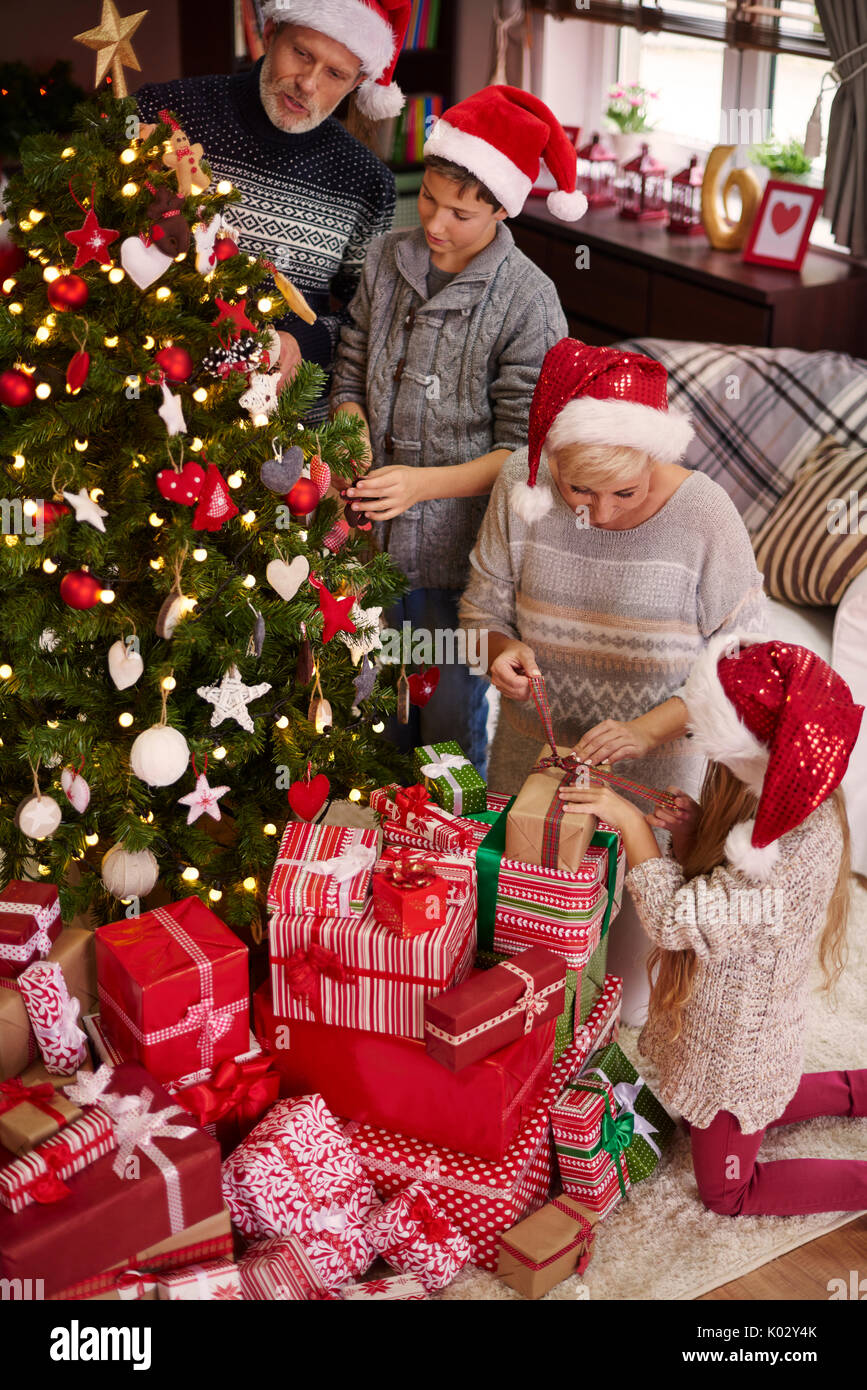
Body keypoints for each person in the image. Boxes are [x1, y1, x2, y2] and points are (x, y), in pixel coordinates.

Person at [459, 339, 768, 1018]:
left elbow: (744, 669)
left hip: (654, 790)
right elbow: (480, 607)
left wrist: (644, 729)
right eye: (578, 491)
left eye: (623, 492)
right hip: (531, 762)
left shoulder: (705, 514)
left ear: (655, 458)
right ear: (551, 464)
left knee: (623, 1002)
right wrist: (497, 648)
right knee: (524, 982)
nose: (597, 515)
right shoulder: (520, 482)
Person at [558, 635, 867, 1217]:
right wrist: (695, 833)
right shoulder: (787, 797)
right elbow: (723, 890)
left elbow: (680, 920)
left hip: (734, 1054)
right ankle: (856, 1090)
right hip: (742, 1032)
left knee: (726, 1192)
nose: (713, 762)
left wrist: (629, 824)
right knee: (752, 1097)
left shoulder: (790, 855)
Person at [331, 86, 583, 771]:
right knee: (365, 708)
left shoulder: (528, 299)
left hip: (461, 566)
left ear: (502, 208)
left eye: (463, 214)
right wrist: (350, 428)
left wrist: (421, 486)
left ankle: (447, 863)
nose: (437, 224)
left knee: (442, 730)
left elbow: (526, 451)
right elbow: (349, 371)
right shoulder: (384, 260)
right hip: (364, 546)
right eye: (430, 200)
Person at [136, 1, 410, 415]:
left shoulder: (367, 181)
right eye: (301, 53)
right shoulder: (168, 112)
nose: (308, 84)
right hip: (155, 398)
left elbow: (365, 323)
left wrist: (306, 343)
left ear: (356, 84)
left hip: (282, 425)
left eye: (334, 73)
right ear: (270, 32)